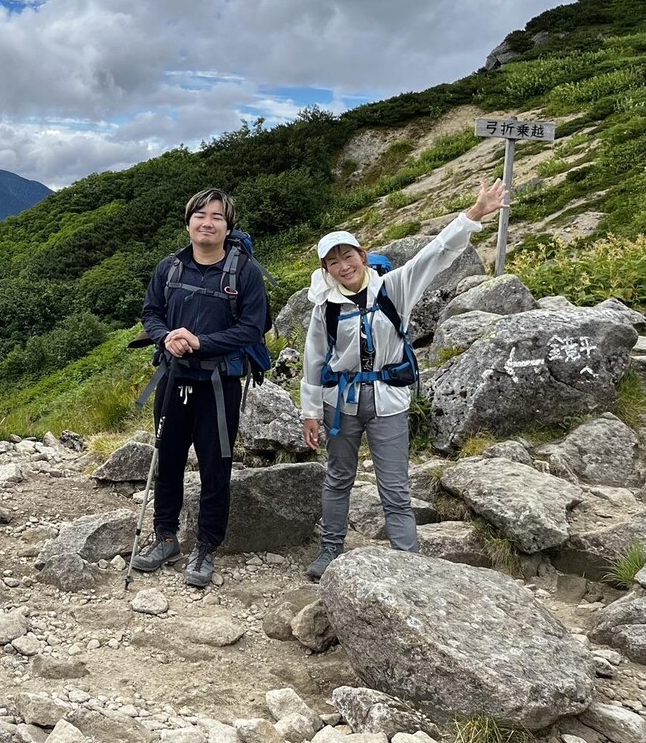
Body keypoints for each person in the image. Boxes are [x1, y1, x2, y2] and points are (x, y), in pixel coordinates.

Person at [301, 178, 508, 579]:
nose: (344, 266)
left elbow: (435, 254)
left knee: (394, 485)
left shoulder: (393, 288)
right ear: (326, 268)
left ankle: (407, 558)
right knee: (338, 476)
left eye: (349, 256)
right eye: (333, 262)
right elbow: (313, 361)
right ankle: (330, 549)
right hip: (339, 402)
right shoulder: (324, 306)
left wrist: (475, 214)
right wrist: (310, 414)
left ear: (362, 255)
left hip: (388, 400)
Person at [130, 188, 270, 587]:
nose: (207, 223)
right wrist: (166, 337)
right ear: (188, 220)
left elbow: (252, 328)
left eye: (217, 217)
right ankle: (166, 537)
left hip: (219, 382)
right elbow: (151, 313)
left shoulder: (244, 272)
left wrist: (201, 343)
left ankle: (206, 547)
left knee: (216, 467)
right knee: (168, 460)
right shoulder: (169, 267)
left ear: (228, 227)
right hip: (173, 378)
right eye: (200, 215)